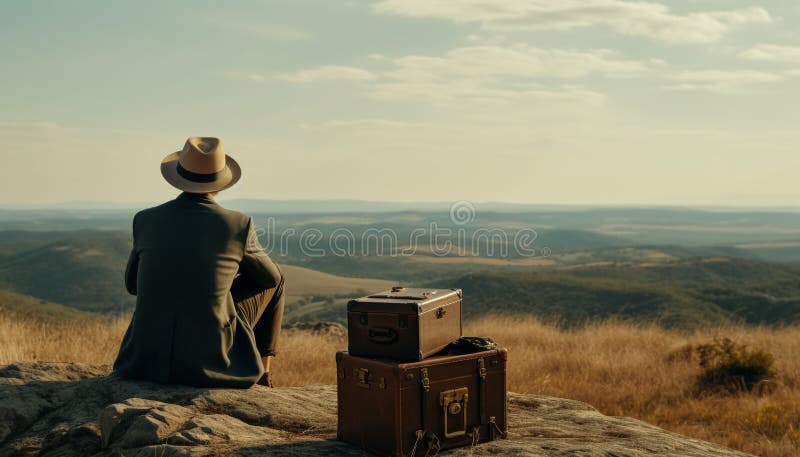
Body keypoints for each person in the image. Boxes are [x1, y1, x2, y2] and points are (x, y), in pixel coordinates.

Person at [113, 137, 284, 388]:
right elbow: (270, 279)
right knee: (278, 280)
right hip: (209, 363)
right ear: (221, 181)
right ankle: (265, 376)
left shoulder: (145, 219)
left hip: (143, 361)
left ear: (179, 176)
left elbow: (132, 284)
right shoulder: (237, 224)